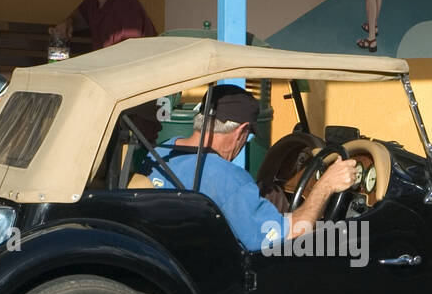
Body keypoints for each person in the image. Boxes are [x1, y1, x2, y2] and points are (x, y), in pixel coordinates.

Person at [145, 86, 358, 252]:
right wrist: (325, 186)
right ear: (241, 131)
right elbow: (292, 233)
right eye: (248, 136)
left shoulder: (160, 153)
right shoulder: (228, 180)